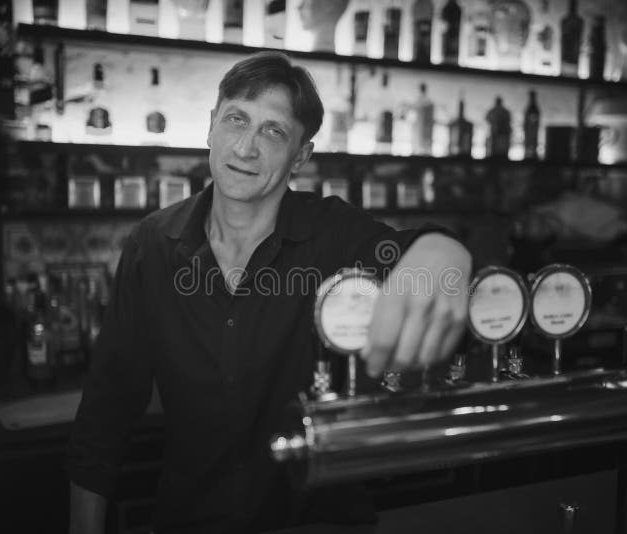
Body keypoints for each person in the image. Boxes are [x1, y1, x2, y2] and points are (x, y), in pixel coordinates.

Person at [67, 51, 472, 533]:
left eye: (273, 131)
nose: (245, 147)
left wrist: (444, 253)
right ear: (211, 126)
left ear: (301, 155)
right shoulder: (151, 246)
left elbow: (421, 255)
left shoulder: (334, 233)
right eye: (236, 119)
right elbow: (104, 415)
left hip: (317, 522)